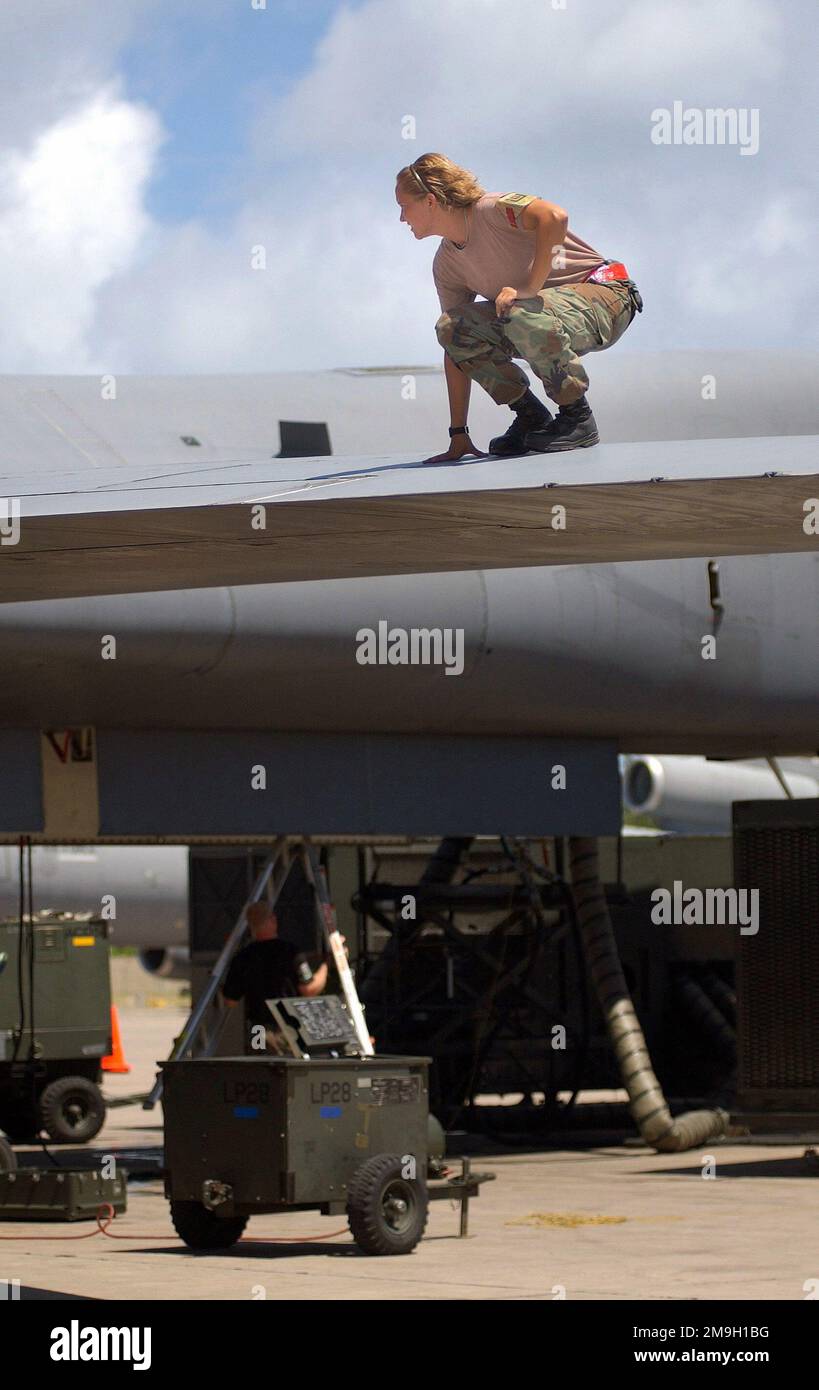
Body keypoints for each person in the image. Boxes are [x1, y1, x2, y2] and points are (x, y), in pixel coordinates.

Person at [395, 152, 643, 459]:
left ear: (430, 201)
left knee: (518, 308)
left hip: (606, 296)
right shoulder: (447, 265)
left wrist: (528, 288)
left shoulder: (491, 209)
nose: (402, 218)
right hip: (541, 318)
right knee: (452, 327)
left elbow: (555, 217)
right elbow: (456, 348)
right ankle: (530, 415)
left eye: (404, 207)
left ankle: (577, 417)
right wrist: (458, 434)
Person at [221, 902, 329, 1055]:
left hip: (258, 1030)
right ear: (273, 920)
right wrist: (325, 968)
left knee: (258, 1071)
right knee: (288, 1072)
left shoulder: (243, 957)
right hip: (288, 1028)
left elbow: (230, 1000)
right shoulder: (290, 952)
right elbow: (309, 989)